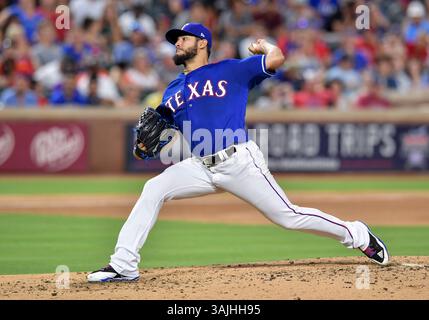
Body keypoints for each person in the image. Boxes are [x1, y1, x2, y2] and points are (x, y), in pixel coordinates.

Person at [87, 23, 389, 282]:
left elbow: (277, 58)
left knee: (288, 216)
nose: (177, 42)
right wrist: (142, 148)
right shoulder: (173, 90)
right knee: (153, 188)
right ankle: (124, 266)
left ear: (202, 42)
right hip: (200, 167)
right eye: (175, 39)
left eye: (183, 37)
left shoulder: (231, 69)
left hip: (239, 162)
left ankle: (357, 234)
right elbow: (158, 133)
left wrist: (264, 45)